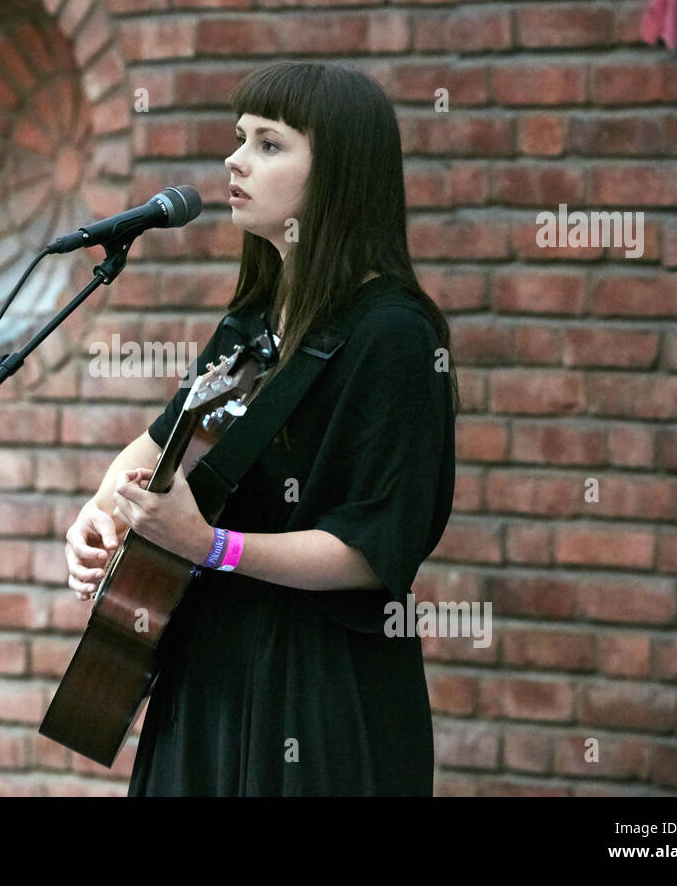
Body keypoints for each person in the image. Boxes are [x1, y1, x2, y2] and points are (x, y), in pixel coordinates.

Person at [63, 60, 460, 795]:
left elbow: (375, 547)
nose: (235, 160)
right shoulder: (252, 323)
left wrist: (210, 544)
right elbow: (158, 445)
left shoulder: (396, 336)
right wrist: (98, 510)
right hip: (210, 672)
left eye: (269, 144)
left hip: (316, 689)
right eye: (240, 137)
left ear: (337, 171)